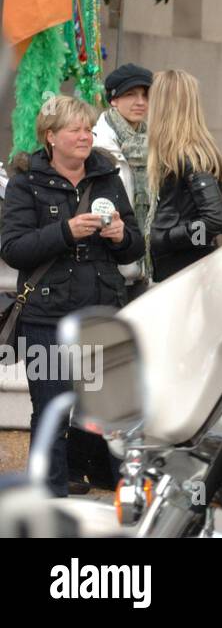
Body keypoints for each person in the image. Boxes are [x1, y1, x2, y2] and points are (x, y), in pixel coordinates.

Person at [1, 95, 144, 497]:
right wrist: (66, 231)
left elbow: (135, 248)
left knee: (113, 409)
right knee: (51, 411)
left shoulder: (107, 177)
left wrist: (121, 236)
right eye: (75, 130)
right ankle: (48, 499)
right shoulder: (26, 182)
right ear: (51, 137)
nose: (85, 137)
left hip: (102, 313)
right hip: (47, 318)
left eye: (87, 129)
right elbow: (13, 249)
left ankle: (127, 498)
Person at [145, 70, 222, 283]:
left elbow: (214, 221)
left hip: (184, 270)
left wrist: (165, 238)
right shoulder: (180, 153)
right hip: (184, 268)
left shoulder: (190, 155)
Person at [92, 62, 152, 292]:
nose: (140, 102)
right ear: (113, 100)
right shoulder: (98, 145)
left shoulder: (154, 143)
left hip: (144, 268)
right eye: (131, 94)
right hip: (109, 268)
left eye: (145, 95)